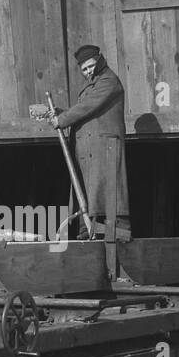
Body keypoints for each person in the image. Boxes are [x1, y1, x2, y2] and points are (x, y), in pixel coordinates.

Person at [51, 43, 130, 239]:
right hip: (89, 150)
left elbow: (88, 106)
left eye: (90, 66)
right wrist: (60, 113)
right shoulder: (93, 84)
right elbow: (85, 109)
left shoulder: (109, 81)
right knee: (87, 192)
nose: (87, 72)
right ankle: (86, 230)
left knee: (111, 191)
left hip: (105, 147)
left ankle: (119, 231)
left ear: (100, 61)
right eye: (84, 69)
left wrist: (62, 119)